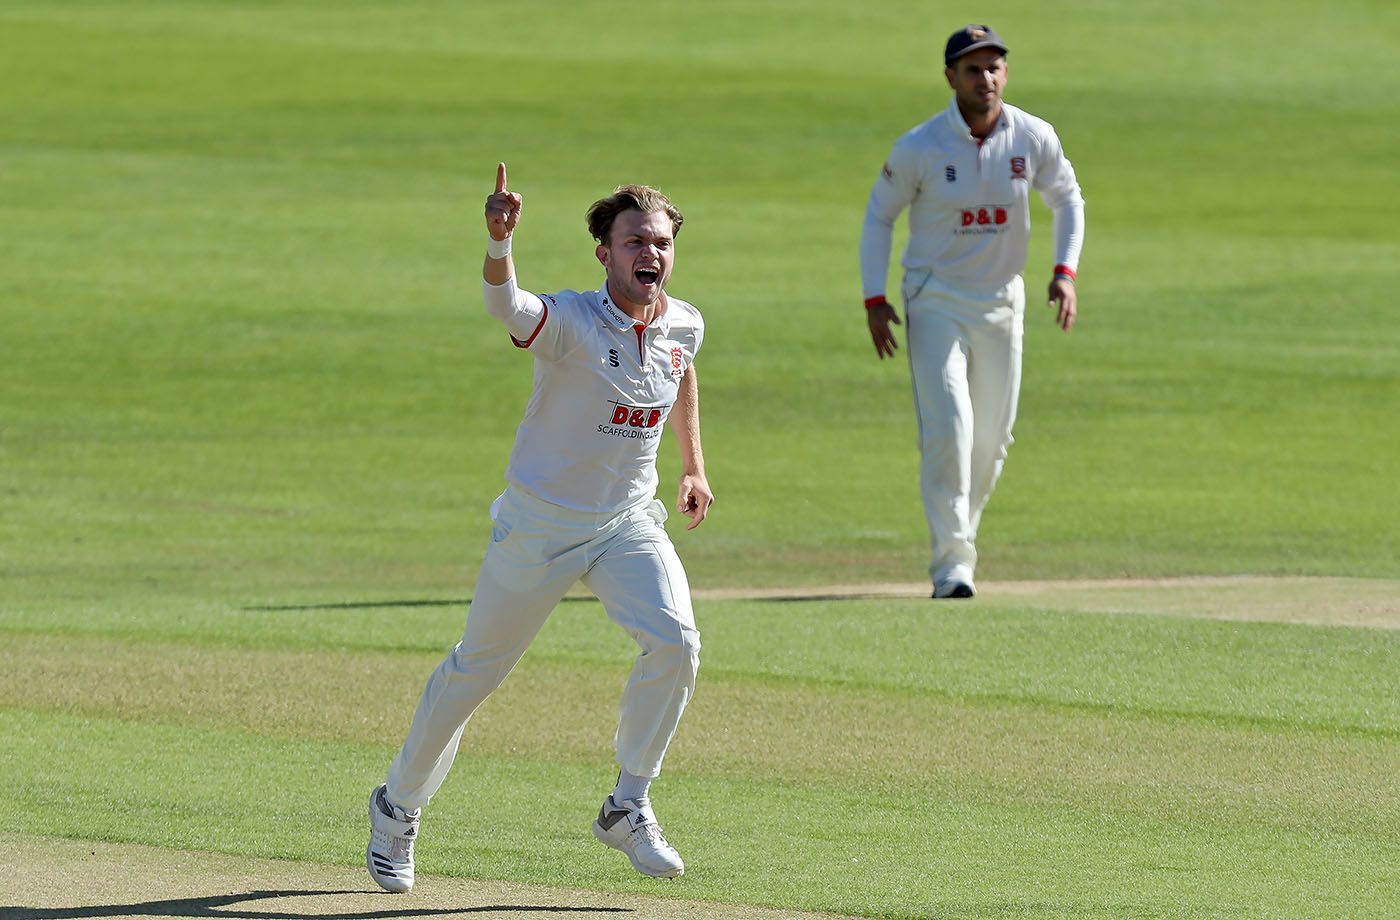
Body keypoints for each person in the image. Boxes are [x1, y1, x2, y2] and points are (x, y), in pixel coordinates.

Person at [366, 164, 713, 890]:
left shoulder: (685, 322)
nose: (650, 253)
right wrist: (500, 242)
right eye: (633, 242)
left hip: (626, 523)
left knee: (677, 642)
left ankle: (628, 803)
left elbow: (680, 375)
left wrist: (693, 466)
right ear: (605, 254)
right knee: (474, 673)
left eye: (660, 242)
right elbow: (507, 306)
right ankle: (397, 806)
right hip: (540, 525)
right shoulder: (573, 322)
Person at [859, 24, 1085, 599]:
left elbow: (1067, 199)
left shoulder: (1031, 136)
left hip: (1003, 300)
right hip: (934, 297)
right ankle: (952, 565)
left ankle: (961, 538)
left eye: (994, 67)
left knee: (992, 441)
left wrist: (1064, 273)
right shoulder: (921, 146)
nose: (985, 78)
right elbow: (879, 215)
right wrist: (875, 298)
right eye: (972, 69)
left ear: (1005, 73)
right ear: (950, 78)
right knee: (949, 431)